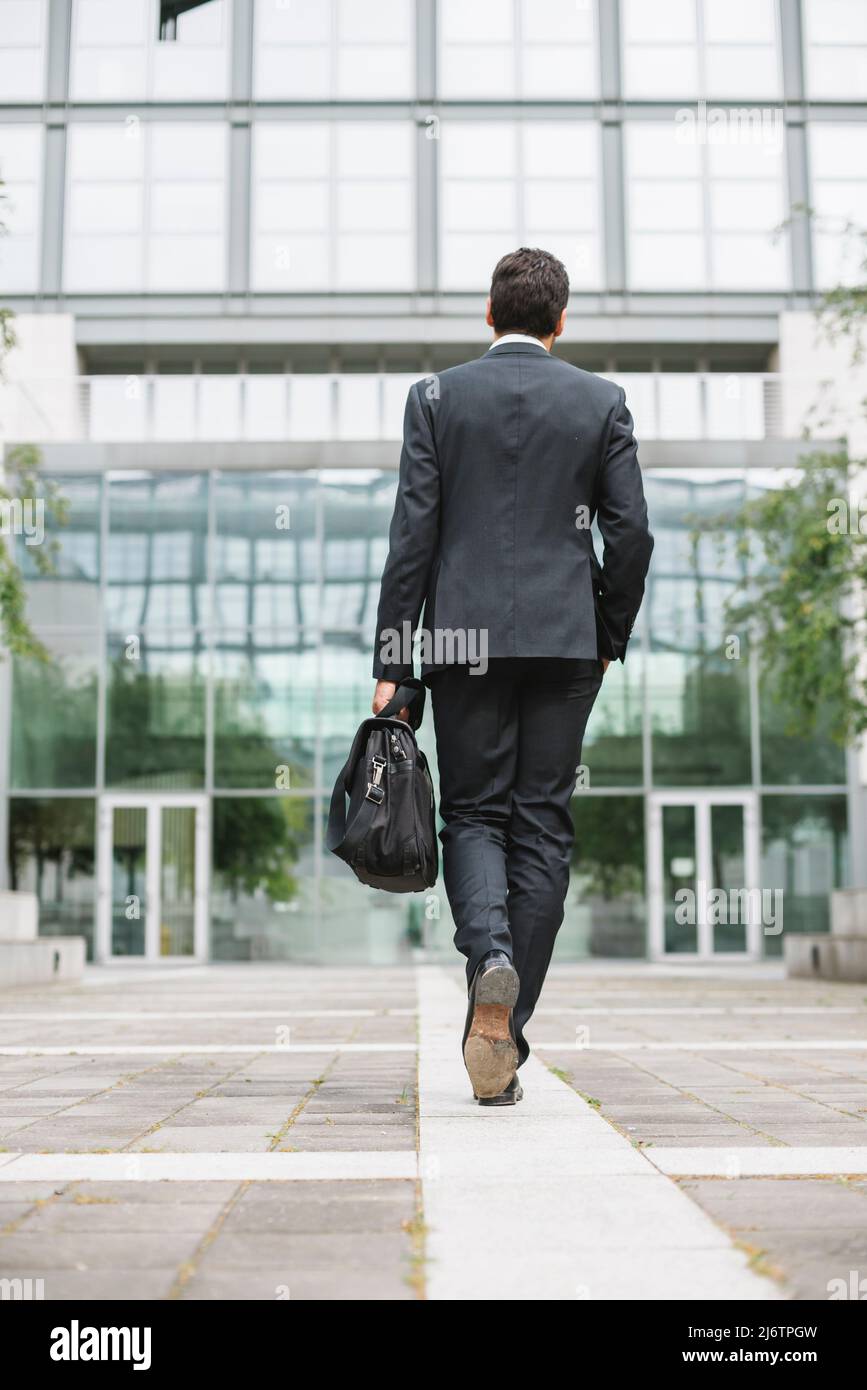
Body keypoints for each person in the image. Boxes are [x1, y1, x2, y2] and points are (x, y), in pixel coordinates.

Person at [371, 248, 653, 1106]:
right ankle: (504, 1025)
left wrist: (395, 664)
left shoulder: (436, 397)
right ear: (559, 322)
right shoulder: (600, 402)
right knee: (542, 827)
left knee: (475, 816)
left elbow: (411, 539)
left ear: (488, 316)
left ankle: (487, 956)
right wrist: (605, 631)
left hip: (461, 641)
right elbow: (631, 535)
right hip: (566, 643)